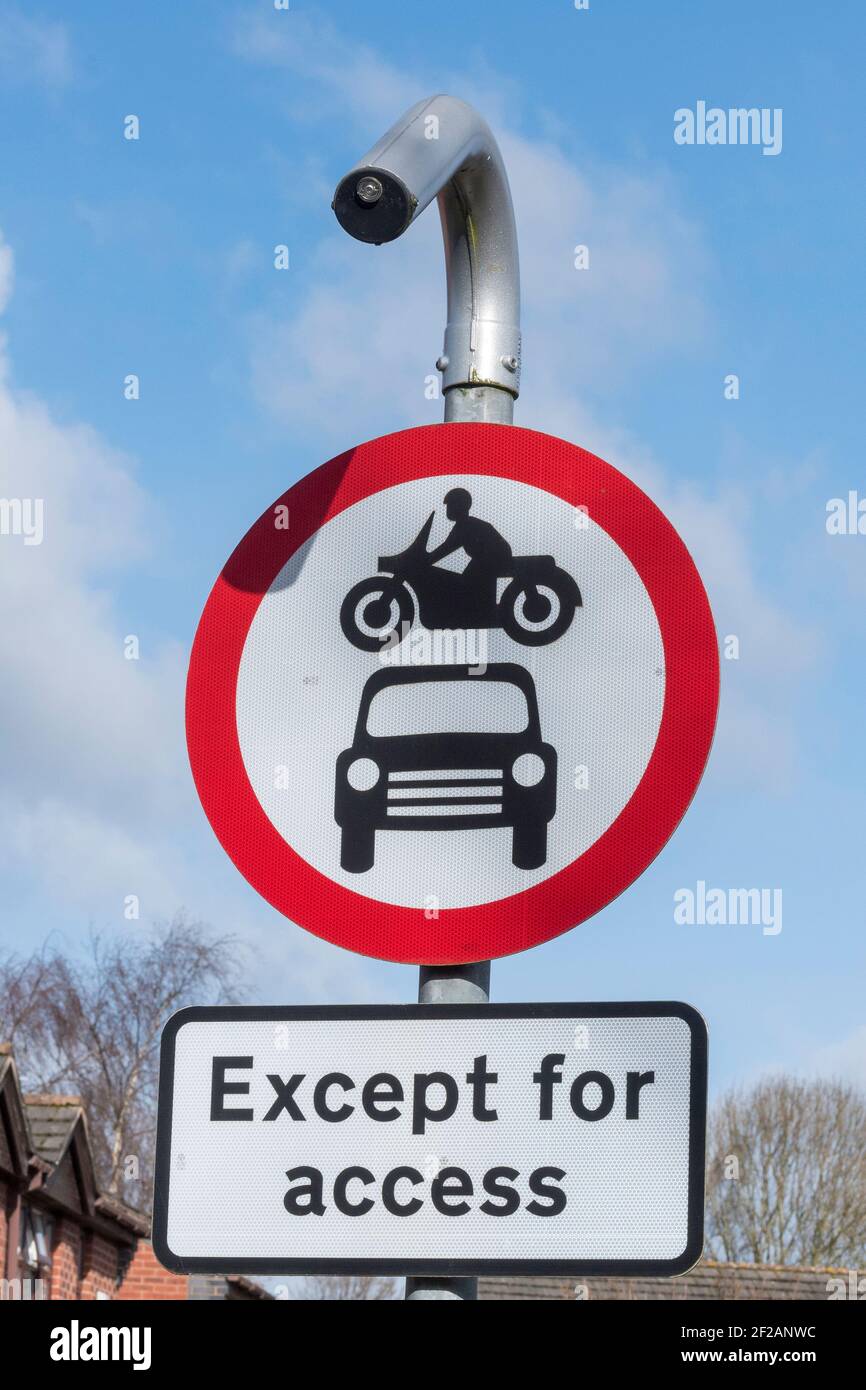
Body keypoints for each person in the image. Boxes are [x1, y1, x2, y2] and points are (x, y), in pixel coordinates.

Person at [425, 489, 512, 603]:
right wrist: (428, 559)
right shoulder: (463, 525)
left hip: (493, 557)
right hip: (486, 558)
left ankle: (478, 609)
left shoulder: (465, 526)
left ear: (460, 506)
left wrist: (426, 560)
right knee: (467, 579)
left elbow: (446, 548)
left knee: (466, 582)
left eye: (451, 505)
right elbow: (446, 547)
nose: (448, 509)